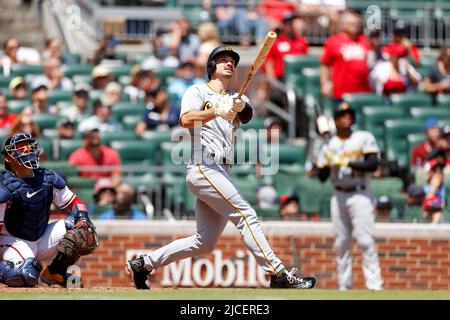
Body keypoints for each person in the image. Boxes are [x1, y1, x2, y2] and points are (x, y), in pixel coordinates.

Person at [126, 46, 317, 290]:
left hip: (221, 170)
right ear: (211, 66)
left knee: (203, 242)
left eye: (232, 61)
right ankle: (278, 273)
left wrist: (237, 107)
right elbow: (185, 119)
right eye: (222, 60)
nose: (228, 64)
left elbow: (247, 114)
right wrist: (215, 110)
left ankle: (144, 264)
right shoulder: (197, 90)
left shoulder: (236, 98)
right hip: (203, 165)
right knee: (246, 215)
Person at [0, 132, 98, 287]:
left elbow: (74, 202)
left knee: (81, 230)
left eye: (29, 146)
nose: (27, 150)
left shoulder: (47, 177)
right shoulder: (5, 186)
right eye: (20, 148)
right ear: (8, 158)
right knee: (27, 275)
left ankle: (55, 272)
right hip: (13, 240)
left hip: (41, 237)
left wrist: (83, 218)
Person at [314, 103, 383, 290]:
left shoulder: (363, 137)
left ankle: (375, 286)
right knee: (342, 243)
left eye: (349, 114)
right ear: (335, 120)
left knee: (366, 241)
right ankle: (344, 287)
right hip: (338, 195)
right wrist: (325, 161)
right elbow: (321, 177)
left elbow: (373, 164)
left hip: (360, 193)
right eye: (342, 115)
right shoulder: (330, 145)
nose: (347, 118)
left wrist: (348, 162)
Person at [320, 10, 372, 102]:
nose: (356, 26)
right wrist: (325, 83)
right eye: (352, 23)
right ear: (344, 24)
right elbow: (324, 64)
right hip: (341, 93)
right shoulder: (333, 41)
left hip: (363, 92)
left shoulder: (365, 41)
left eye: (357, 23)